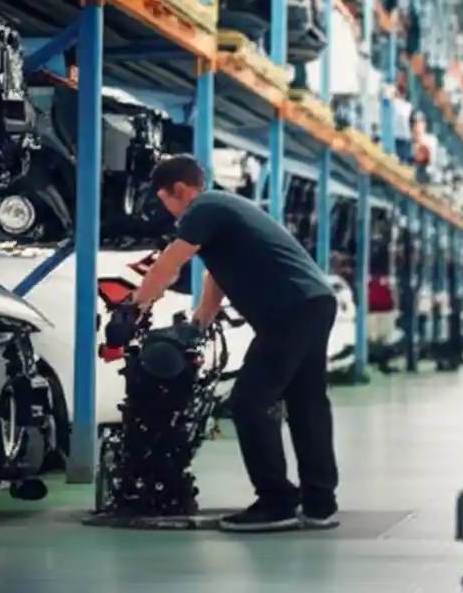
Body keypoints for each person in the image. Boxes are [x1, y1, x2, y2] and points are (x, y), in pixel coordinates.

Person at [131, 155, 339, 533]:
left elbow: (169, 264)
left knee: (249, 402)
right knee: (307, 402)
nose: (168, 211)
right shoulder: (226, 209)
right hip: (314, 302)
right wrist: (198, 324)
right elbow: (217, 277)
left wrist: (133, 309)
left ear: (179, 191)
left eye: (164, 201)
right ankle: (320, 503)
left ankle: (276, 502)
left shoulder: (203, 207)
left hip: (289, 311)